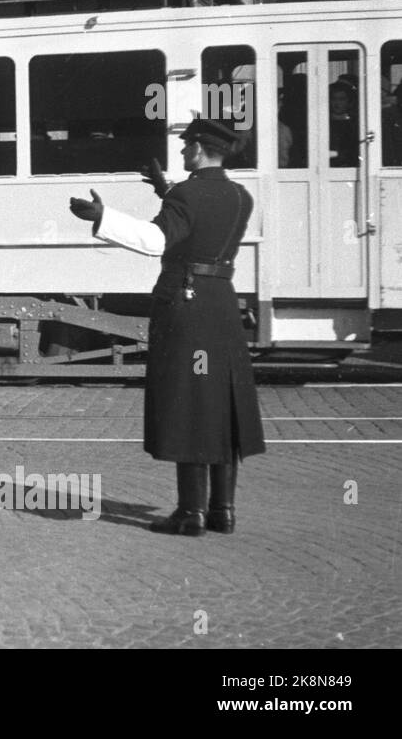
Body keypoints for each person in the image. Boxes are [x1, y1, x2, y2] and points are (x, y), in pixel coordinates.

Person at [68, 118, 264, 536]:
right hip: (220, 304)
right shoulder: (240, 196)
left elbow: (159, 240)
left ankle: (190, 514)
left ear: (198, 148)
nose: (180, 152)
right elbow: (202, 219)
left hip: (185, 306)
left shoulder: (189, 194)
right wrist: (166, 191)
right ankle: (221, 511)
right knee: (220, 403)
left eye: (185, 145)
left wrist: (104, 217)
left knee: (190, 402)